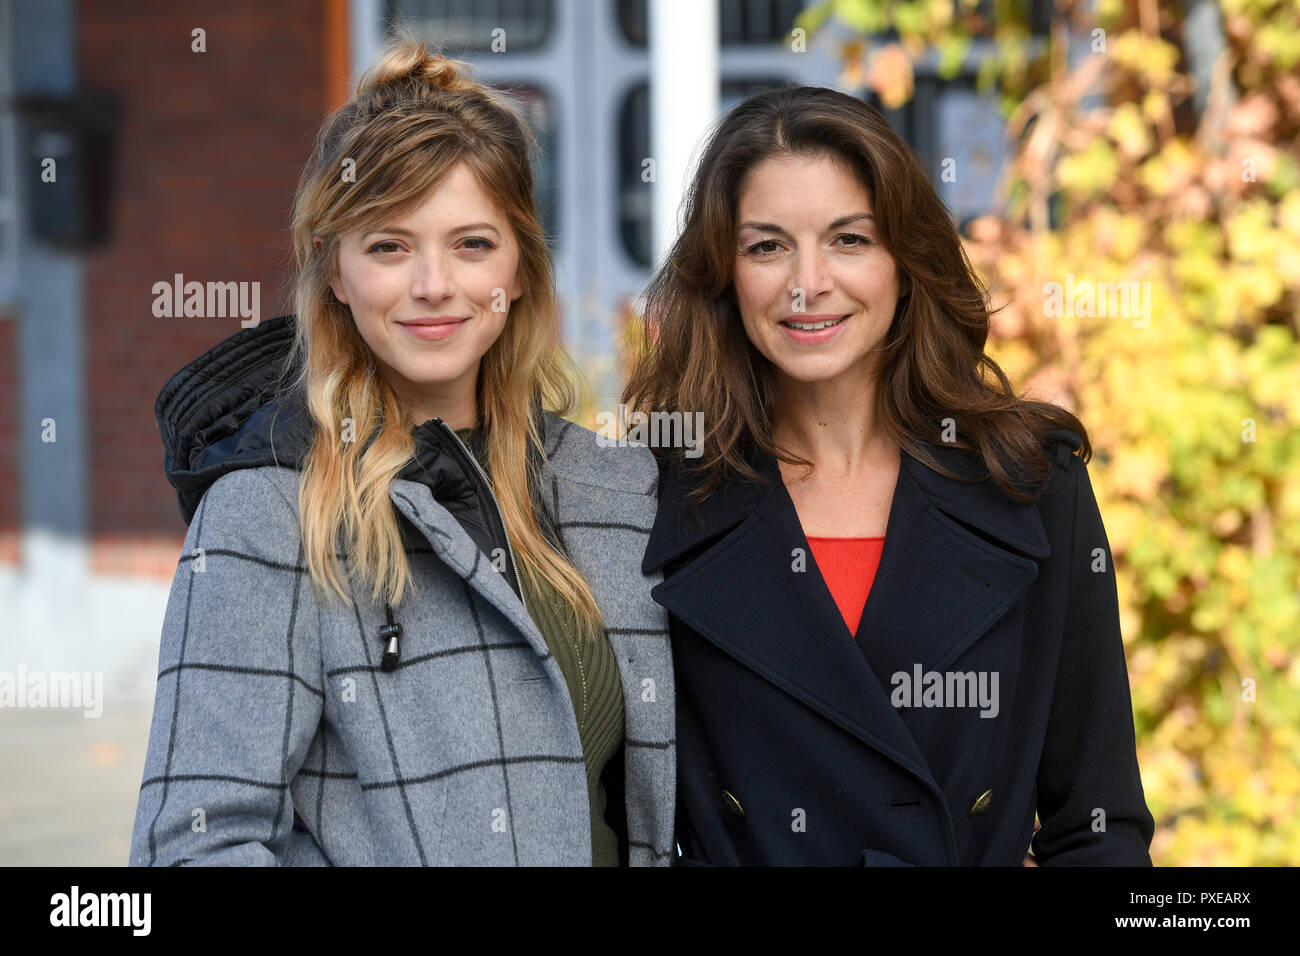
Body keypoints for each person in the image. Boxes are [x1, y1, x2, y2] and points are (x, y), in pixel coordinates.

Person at [129, 34, 674, 866]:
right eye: (389, 245)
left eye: (472, 244)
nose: (432, 285)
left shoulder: (613, 486)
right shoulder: (267, 510)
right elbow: (193, 844)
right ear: (335, 271)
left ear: (520, 269)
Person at [624, 84, 1155, 865]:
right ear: (725, 277)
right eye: (767, 246)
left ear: (905, 260)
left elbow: (1096, 826)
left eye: (849, 240)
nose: (808, 283)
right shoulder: (653, 494)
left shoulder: (1030, 486)